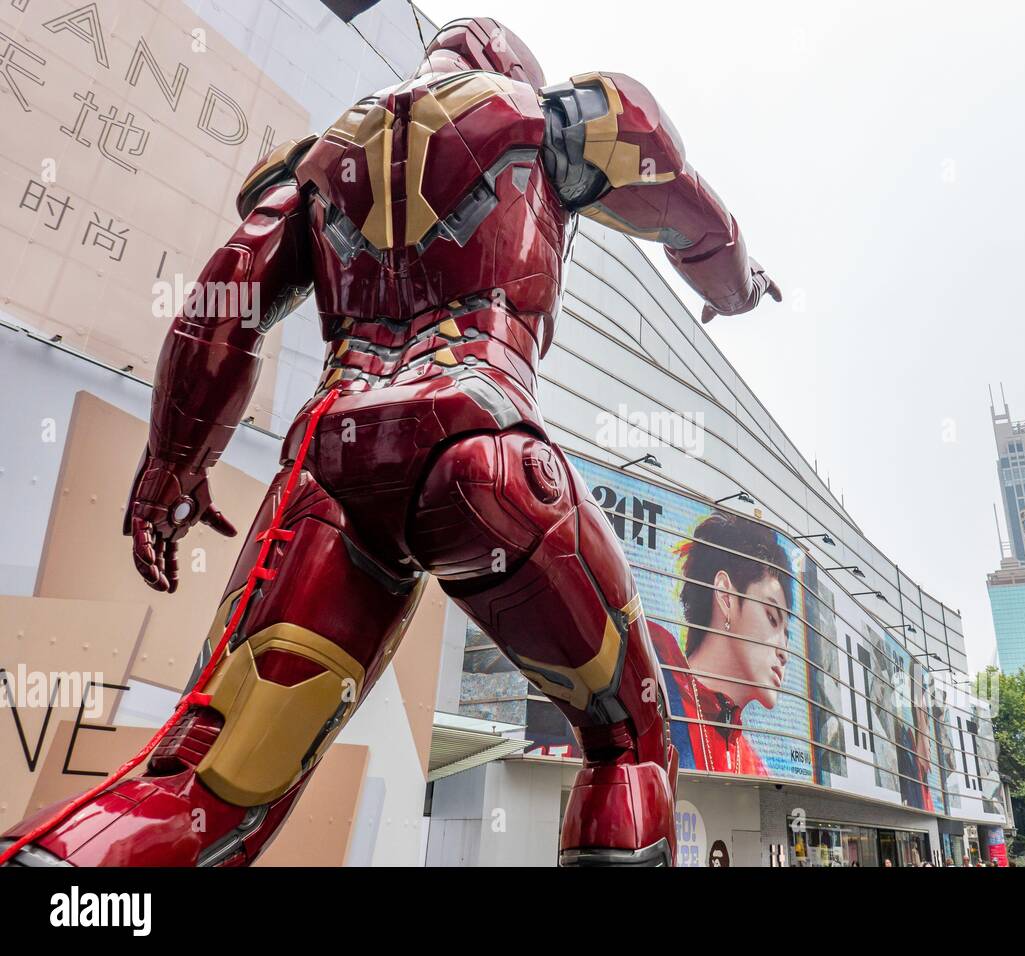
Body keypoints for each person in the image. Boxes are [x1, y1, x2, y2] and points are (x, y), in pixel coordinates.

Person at [0, 16, 778, 869]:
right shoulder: (559, 121)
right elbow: (695, 217)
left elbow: (217, 310)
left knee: (207, 785)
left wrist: (172, 467)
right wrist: (740, 287)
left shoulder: (317, 167)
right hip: (481, 443)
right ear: (513, 65)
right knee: (626, 745)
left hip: (331, 473)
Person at [652, 512, 794, 776]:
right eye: (772, 618)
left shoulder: (754, 766)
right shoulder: (649, 674)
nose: (784, 652)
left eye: (788, 635)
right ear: (726, 595)